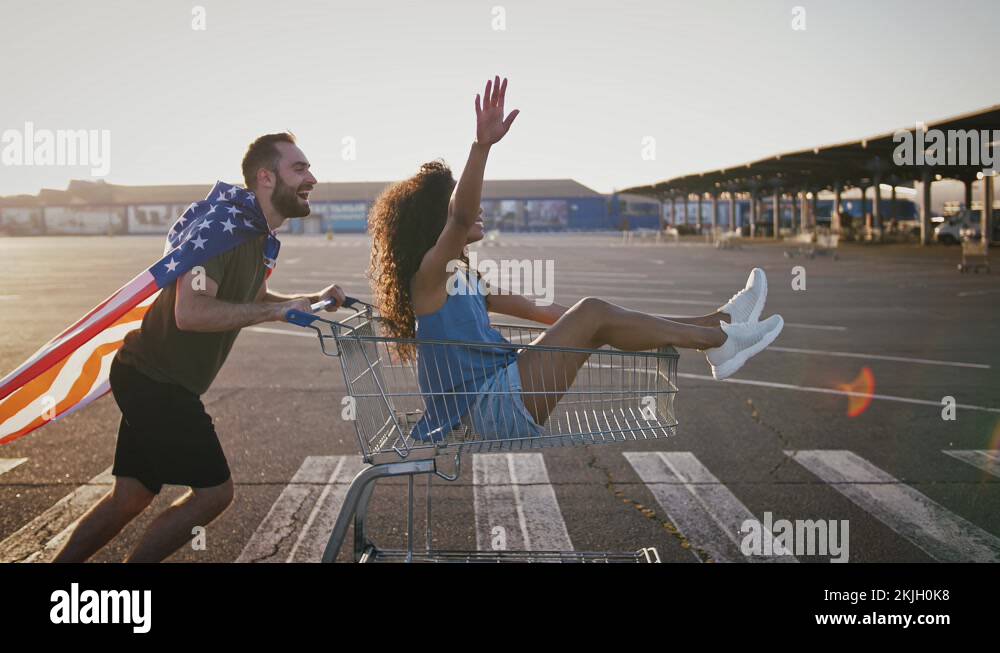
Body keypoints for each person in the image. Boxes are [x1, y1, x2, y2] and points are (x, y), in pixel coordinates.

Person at [367, 77, 784, 443]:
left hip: (501, 391)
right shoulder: (428, 278)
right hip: (486, 408)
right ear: (435, 218)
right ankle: (719, 343)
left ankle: (718, 324)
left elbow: (538, 310)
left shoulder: (467, 278)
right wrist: (480, 147)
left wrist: (593, 328)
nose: (477, 208)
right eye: (459, 200)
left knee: (594, 315)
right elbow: (460, 217)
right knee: (593, 312)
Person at [53, 133, 348, 562]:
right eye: (299, 169)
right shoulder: (222, 232)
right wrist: (273, 314)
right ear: (266, 178)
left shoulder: (251, 232)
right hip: (155, 379)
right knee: (213, 494)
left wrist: (305, 299)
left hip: (153, 375)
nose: (312, 178)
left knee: (131, 496)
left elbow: (250, 296)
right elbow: (190, 313)